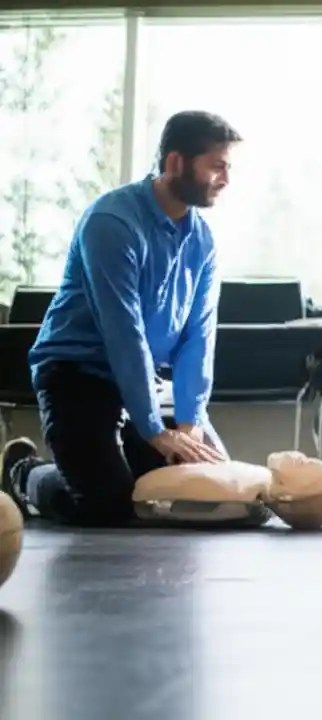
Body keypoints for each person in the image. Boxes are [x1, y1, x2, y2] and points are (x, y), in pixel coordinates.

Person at [1, 110, 241, 527]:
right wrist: (154, 431)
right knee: (109, 506)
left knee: (212, 495)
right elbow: (123, 333)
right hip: (78, 375)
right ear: (175, 163)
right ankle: (25, 472)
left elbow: (198, 336)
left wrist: (189, 424)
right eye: (217, 166)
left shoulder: (202, 239)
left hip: (144, 379)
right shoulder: (111, 222)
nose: (226, 179)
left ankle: (126, 455)